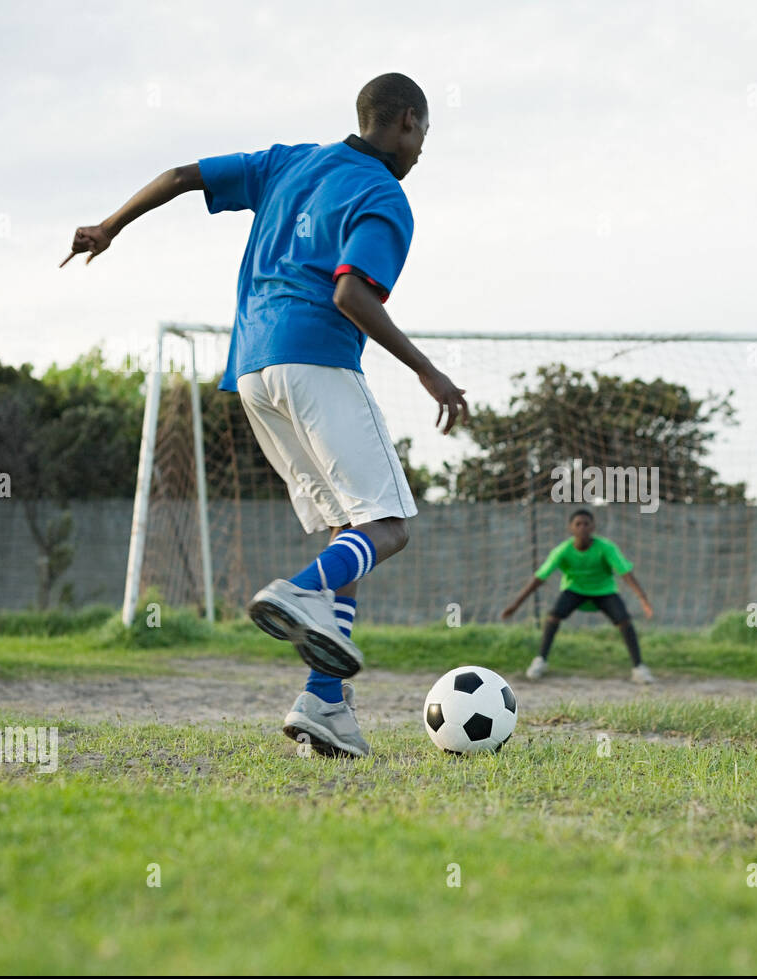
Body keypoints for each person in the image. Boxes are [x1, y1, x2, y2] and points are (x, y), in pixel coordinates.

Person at [62, 73, 468, 758]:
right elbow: (350, 296)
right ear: (404, 121)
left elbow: (182, 173)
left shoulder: (288, 161)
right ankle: (298, 590)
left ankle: (324, 703)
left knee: (347, 528)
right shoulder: (383, 194)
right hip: (316, 360)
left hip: (253, 370)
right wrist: (428, 370)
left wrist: (110, 225)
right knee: (388, 524)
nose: (421, 150)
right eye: (423, 134)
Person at [501, 509, 655, 683]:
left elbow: (625, 573)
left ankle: (639, 668)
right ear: (571, 528)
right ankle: (540, 661)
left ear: (593, 527)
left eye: (586, 524)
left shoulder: (606, 547)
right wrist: (516, 605)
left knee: (624, 621)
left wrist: (643, 599)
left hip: (604, 591)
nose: (582, 527)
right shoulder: (563, 550)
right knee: (553, 617)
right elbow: (539, 578)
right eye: (578, 524)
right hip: (574, 589)